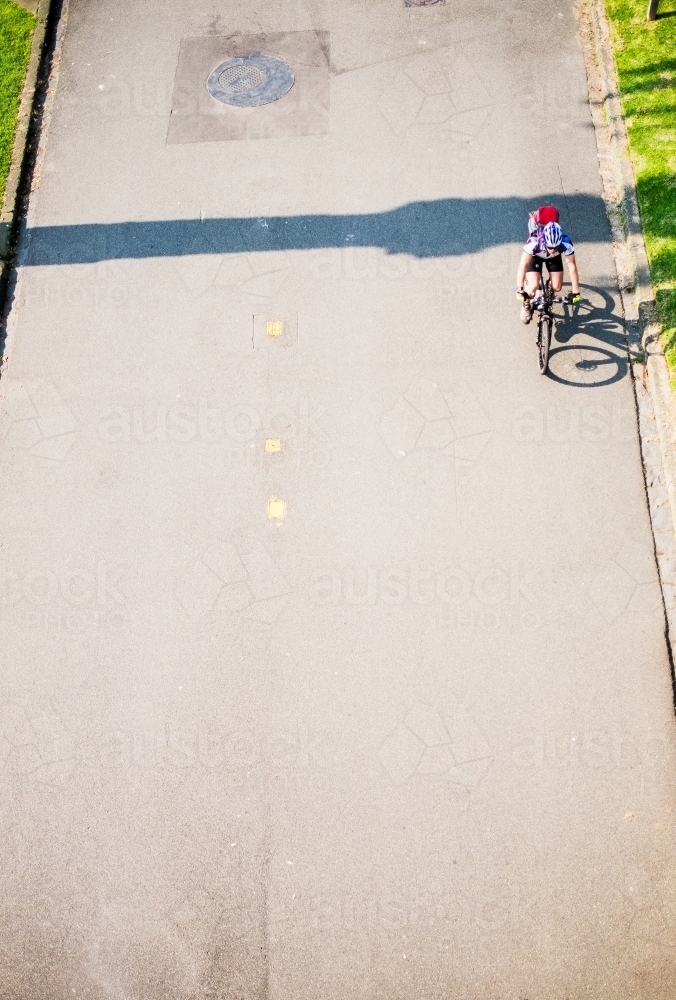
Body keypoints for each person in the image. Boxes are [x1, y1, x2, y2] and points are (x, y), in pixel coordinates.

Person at [516, 220, 581, 324]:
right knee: (533, 285)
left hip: (554, 258)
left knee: (557, 287)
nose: (552, 250)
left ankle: (549, 288)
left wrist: (576, 291)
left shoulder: (566, 243)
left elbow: (572, 266)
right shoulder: (534, 242)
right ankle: (527, 304)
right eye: (550, 247)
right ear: (544, 240)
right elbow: (523, 265)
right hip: (535, 256)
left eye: (556, 247)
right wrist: (520, 289)